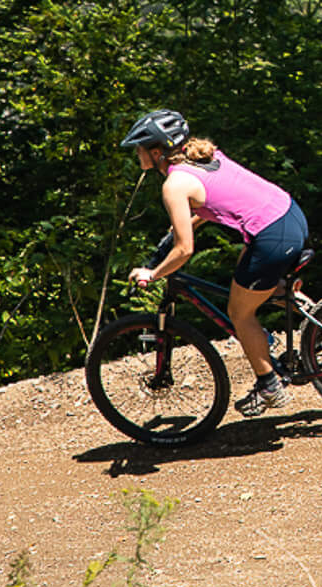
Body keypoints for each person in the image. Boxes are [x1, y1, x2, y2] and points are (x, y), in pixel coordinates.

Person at [121, 109, 310, 417]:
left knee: (239, 310)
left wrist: (153, 273)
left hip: (271, 236)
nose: (137, 155)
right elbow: (220, 196)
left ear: (156, 152)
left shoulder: (174, 184)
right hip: (289, 215)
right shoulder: (203, 156)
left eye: (139, 149)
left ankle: (269, 386)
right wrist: (189, 223)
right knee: (249, 276)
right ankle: (317, 318)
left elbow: (184, 251)